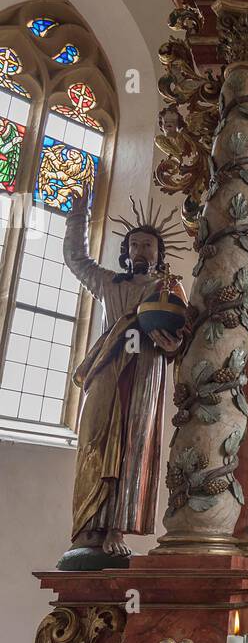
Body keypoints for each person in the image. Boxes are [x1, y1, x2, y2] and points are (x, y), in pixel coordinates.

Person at [59, 193, 186, 566]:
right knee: (94, 438)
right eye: (134, 244)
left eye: (148, 244)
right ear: (126, 251)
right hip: (106, 369)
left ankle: (116, 527)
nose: (140, 249)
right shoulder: (109, 283)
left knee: (133, 445)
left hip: (144, 372)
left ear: (159, 253)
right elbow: (76, 260)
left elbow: (182, 331)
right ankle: (87, 526)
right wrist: (77, 218)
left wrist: (173, 343)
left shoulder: (167, 288)